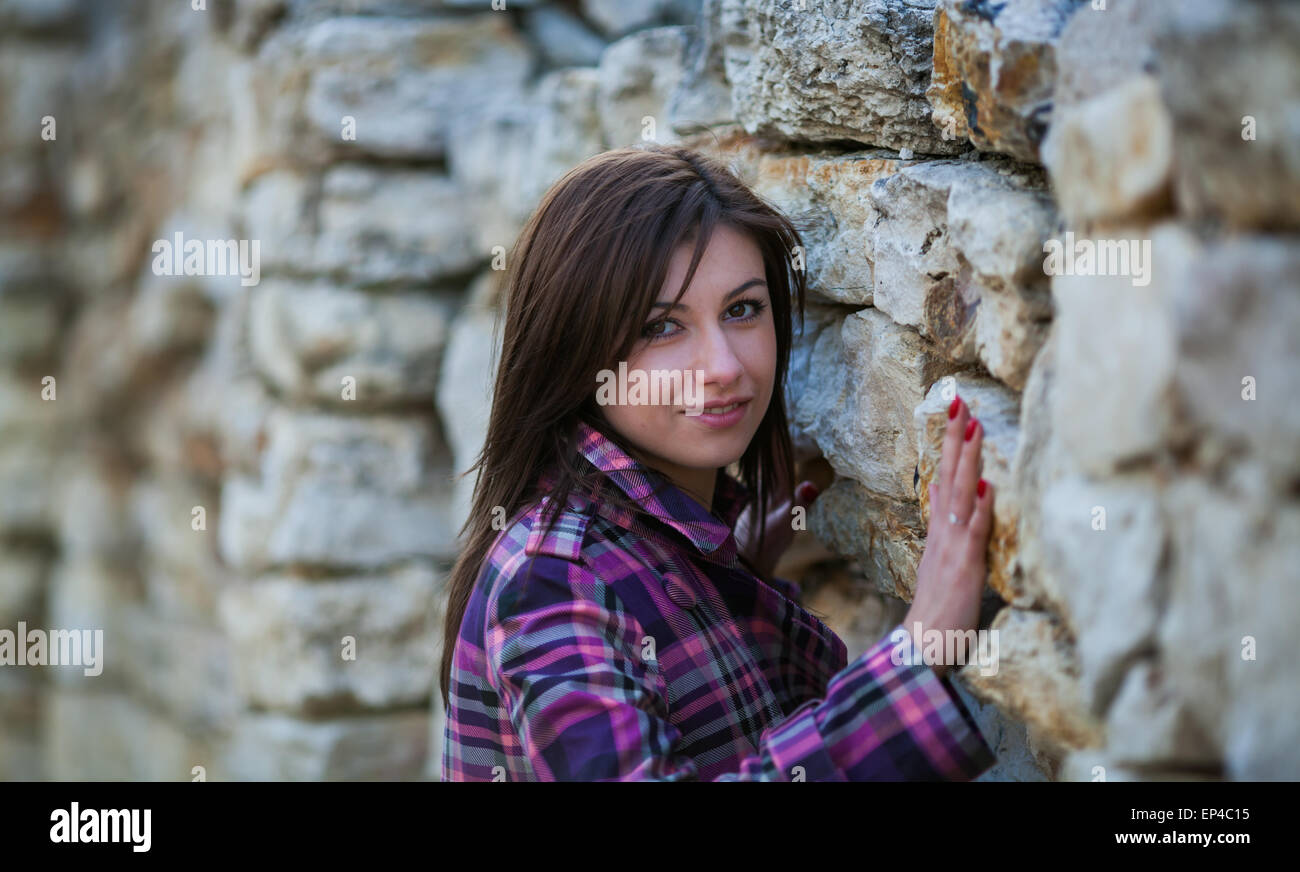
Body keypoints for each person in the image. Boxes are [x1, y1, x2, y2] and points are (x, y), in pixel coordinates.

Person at [439, 143, 998, 781]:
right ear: (574, 349)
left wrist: (717, 585)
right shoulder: (555, 576)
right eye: (661, 327)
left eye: (742, 310)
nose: (726, 368)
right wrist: (917, 658)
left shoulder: (662, 545)